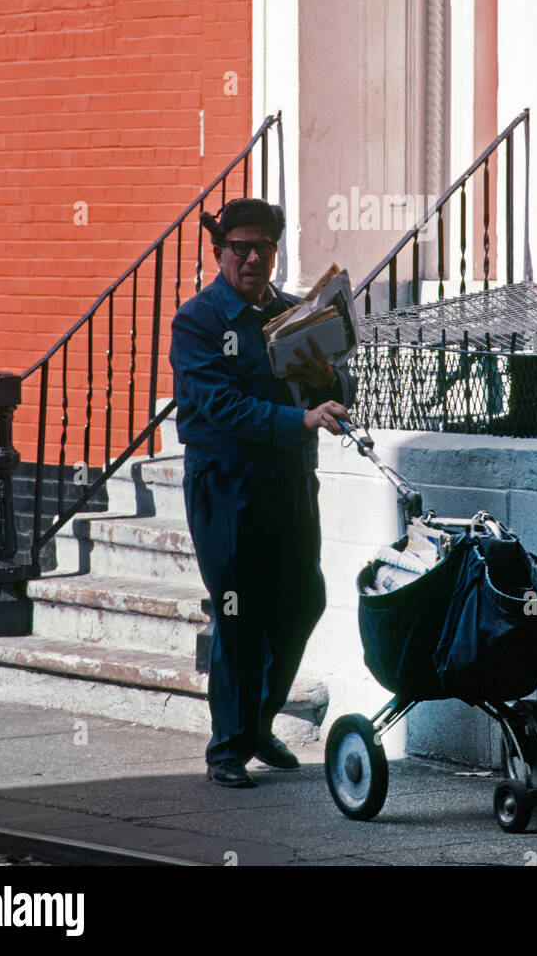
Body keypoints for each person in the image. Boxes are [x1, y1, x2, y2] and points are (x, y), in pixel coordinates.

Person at [168, 198, 354, 787]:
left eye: (264, 249)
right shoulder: (198, 321)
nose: (252, 258)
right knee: (238, 611)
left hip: (291, 481)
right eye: (240, 248)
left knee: (303, 601)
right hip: (228, 484)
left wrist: (329, 381)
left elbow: (337, 377)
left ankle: (258, 721)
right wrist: (298, 422)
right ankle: (228, 748)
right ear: (220, 252)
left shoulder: (294, 312)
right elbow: (219, 406)